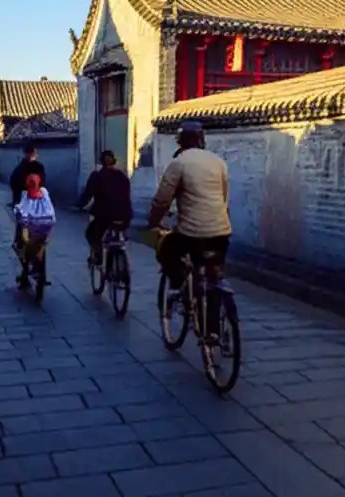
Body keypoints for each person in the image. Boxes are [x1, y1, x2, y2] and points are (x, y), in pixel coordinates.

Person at [147, 121, 231, 342]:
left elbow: (162, 200)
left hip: (191, 234)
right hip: (221, 233)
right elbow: (223, 198)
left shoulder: (179, 163)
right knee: (214, 277)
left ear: (180, 142)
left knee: (166, 247)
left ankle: (177, 282)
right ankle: (213, 330)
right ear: (202, 140)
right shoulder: (219, 162)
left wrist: (153, 222)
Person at [76, 150, 133, 264]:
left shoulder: (96, 176)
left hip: (104, 217)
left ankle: (98, 255)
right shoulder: (123, 177)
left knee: (91, 234)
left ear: (101, 162)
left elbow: (88, 195)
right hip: (125, 216)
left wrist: (79, 205)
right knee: (119, 231)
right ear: (114, 161)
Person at [14, 172, 56, 288]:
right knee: (42, 244)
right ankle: (38, 271)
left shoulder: (25, 194)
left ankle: (26, 269)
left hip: (29, 227)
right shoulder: (44, 192)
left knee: (20, 244)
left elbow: (21, 212)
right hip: (46, 226)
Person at [8, 143, 46, 246]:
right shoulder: (38, 167)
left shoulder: (20, 167)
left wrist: (16, 197)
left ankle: (20, 241)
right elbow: (43, 184)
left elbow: (13, 181)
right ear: (34, 152)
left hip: (22, 198)